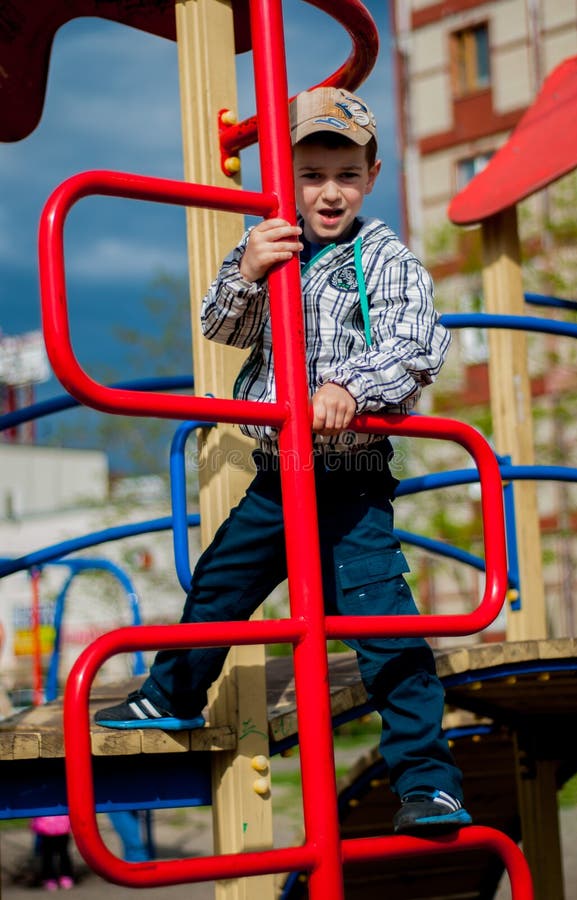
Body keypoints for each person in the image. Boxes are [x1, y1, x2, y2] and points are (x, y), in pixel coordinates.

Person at [96, 87, 471, 836]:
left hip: (351, 476)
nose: (328, 192)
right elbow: (221, 330)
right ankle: (173, 691)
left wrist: (350, 385)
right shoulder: (274, 246)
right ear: (285, 175)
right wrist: (246, 269)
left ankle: (429, 783)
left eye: (344, 173)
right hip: (279, 474)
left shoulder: (384, 258)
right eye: (310, 174)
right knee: (221, 581)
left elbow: (418, 343)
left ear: (370, 173)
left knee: (382, 625)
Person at [30, 815, 74, 890]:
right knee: (48, 856)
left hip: (61, 828)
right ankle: (50, 877)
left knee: (63, 855)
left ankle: (65, 875)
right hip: (47, 829)